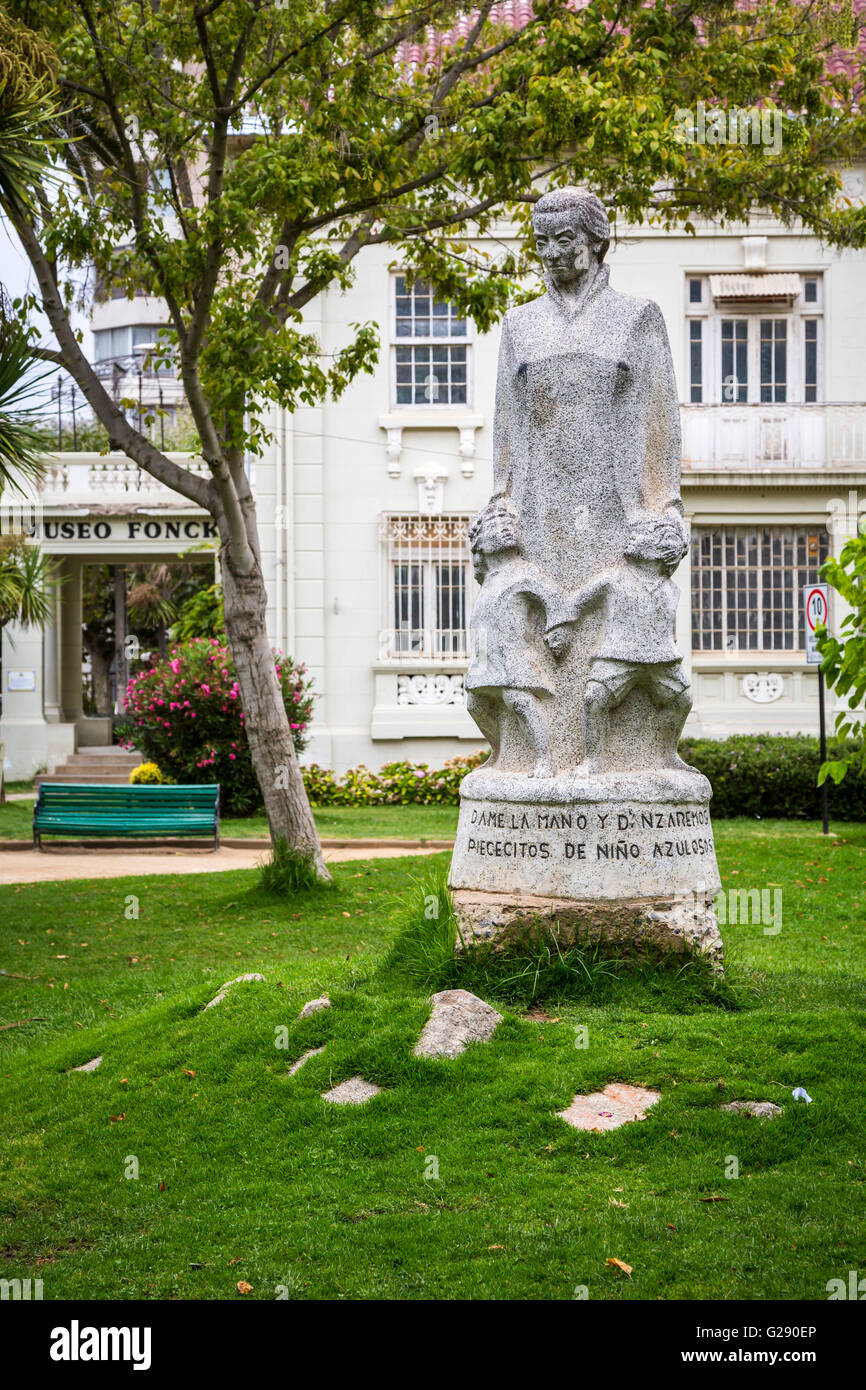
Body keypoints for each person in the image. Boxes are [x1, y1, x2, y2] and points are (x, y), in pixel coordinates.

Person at [466, 495, 572, 778]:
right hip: (485, 656)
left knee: (520, 701)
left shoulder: (524, 572)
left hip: (514, 654)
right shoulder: (489, 579)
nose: (502, 530)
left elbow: (554, 599)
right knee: (475, 704)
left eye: (506, 525)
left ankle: (544, 759)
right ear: (481, 545)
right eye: (493, 528)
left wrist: (557, 630)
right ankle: (499, 753)